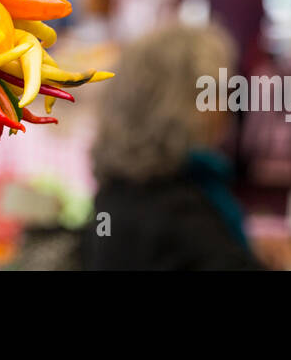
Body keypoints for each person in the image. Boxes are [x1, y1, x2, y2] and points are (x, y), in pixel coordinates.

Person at [82, 21, 261, 270]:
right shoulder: (183, 212)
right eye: (219, 91)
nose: (228, 106)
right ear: (185, 106)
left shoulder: (115, 193)